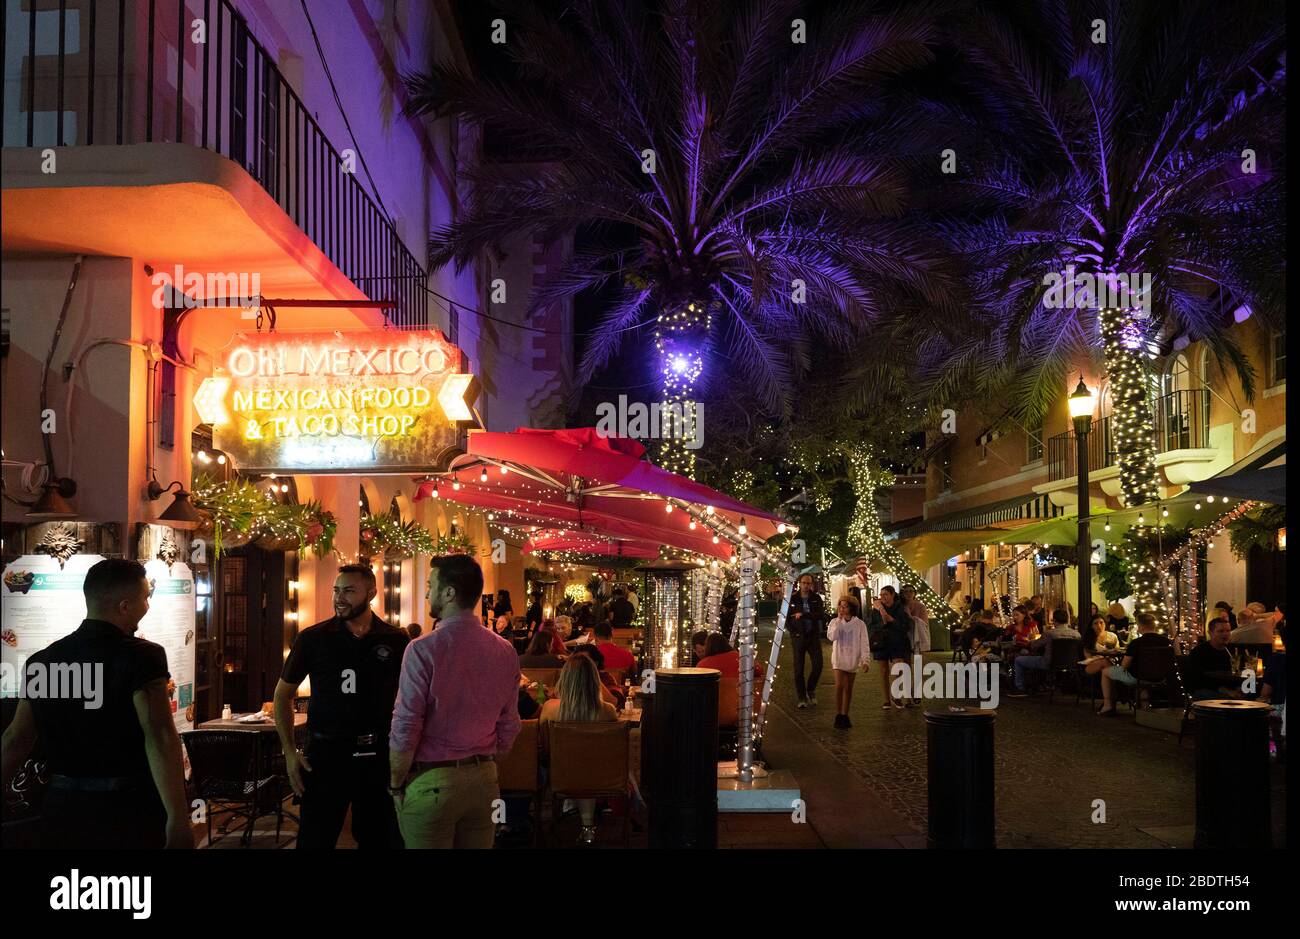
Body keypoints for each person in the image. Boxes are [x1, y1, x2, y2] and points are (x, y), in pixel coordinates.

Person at [0, 558, 192, 849]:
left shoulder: (42, 661)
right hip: (127, 807)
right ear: (124, 606)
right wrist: (178, 816)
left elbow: (16, 738)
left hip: (61, 806)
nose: (148, 606)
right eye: (145, 598)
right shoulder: (142, 656)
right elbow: (159, 734)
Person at [388, 555, 522, 849]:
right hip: (484, 781)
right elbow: (510, 723)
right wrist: (486, 762)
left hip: (433, 778)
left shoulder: (422, 649)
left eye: (430, 585)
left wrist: (396, 781)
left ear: (449, 592)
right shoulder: (505, 651)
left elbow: (406, 723)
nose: (426, 593)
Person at [275, 564, 408, 849]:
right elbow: (281, 695)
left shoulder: (395, 640)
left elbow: (411, 701)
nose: (339, 598)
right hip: (326, 755)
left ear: (371, 592)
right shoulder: (313, 638)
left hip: (377, 756)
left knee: (382, 840)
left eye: (349, 591)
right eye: (336, 590)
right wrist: (289, 752)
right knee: (315, 839)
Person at [538, 655, 619, 844]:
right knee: (588, 763)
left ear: (564, 679)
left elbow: (540, 741)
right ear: (594, 680)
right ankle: (588, 826)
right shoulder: (608, 711)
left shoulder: (550, 708)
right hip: (598, 776)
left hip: (559, 774)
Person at [1093, 613, 1172, 716]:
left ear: (1140, 626)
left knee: (1105, 672)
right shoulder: (1166, 641)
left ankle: (1108, 705)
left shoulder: (1136, 643)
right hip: (1160, 677)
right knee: (1143, 677)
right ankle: (1144, 707)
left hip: (1137, 677)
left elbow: (1124, 666)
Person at [1007, 607, 1080, 696]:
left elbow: (1035, 645)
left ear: (1054, 620)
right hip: (1071, 663)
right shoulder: (1077, 634)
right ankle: (1040, 684)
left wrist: (1029, 641)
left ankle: (1020, 688)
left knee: (1018, 660)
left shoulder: (1050, 634)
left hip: (1049, 662)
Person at [826, 596, 870, 729]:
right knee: (839, 685)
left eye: (845, 606)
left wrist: (865, 660)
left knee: (848, 688)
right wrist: (839, 621)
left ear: (851, 607)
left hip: (852, 659)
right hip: (839, 657)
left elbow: (864, 643)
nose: (842, 608)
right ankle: (838, 714)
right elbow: (832, 637)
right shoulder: (835, 621)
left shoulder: (860, 624)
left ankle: (845, 714)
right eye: (840, 605)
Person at [871, 585, 914, 709]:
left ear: (892, 595)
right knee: (883, 671)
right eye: (881, 594)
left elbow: (905, 626)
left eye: (886, 594)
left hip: (897, 642)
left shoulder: (900, 608)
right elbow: (871, 626)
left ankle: (895, 694)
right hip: (881, 643)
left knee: (898, 667)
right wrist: (882, 622)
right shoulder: (876, 609)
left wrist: (892, 620)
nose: (883, 597)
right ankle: (886, 700)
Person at [788, 574, 827, 708]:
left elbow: (821, 615)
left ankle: (810, 689)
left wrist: (805, 615)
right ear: (800, 583)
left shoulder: (815, 598)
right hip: (799, 637)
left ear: (811, 584)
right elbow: (787, 618)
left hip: (813, 636)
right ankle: (802, 697)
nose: (806, 585)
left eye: (808, 583)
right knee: (798, 669)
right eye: (804, 583)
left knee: (818, 665)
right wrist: (794, 632)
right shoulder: (793, 598)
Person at [1183, 618, 1239, 701]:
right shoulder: (1199, 652)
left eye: (1228, 631)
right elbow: (1198, 680)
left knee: (1252, 693)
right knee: (1228, 700)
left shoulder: (1234, 651)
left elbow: (1240, 674)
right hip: (1206, 689)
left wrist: (1241, 689)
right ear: (1210, 633)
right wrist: (1227, 691)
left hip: (1230, 689)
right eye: (1221, 631)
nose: (1225, 634)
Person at [568, 643, 625, 708]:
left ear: (596, 663)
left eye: (585, 663)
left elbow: (614, 703)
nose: (579, 666)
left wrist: (591, 676)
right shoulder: (568, 679)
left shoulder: (605, 678)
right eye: (576, 662)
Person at [696, 631, 765, 680]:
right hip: (740, 696)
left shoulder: (703, 665)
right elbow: (759, 671)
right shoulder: (740, 658)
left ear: (708, 647)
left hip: (713, 699)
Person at [902, 584, 931, 656]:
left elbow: (924, 623)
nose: (909, 594)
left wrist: (912, 618)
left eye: (911, 591)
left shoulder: (920, 606)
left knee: (919, 659)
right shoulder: (900, 606)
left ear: (914, 593)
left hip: (918, 634)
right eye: (906, 592)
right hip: (905, 635)